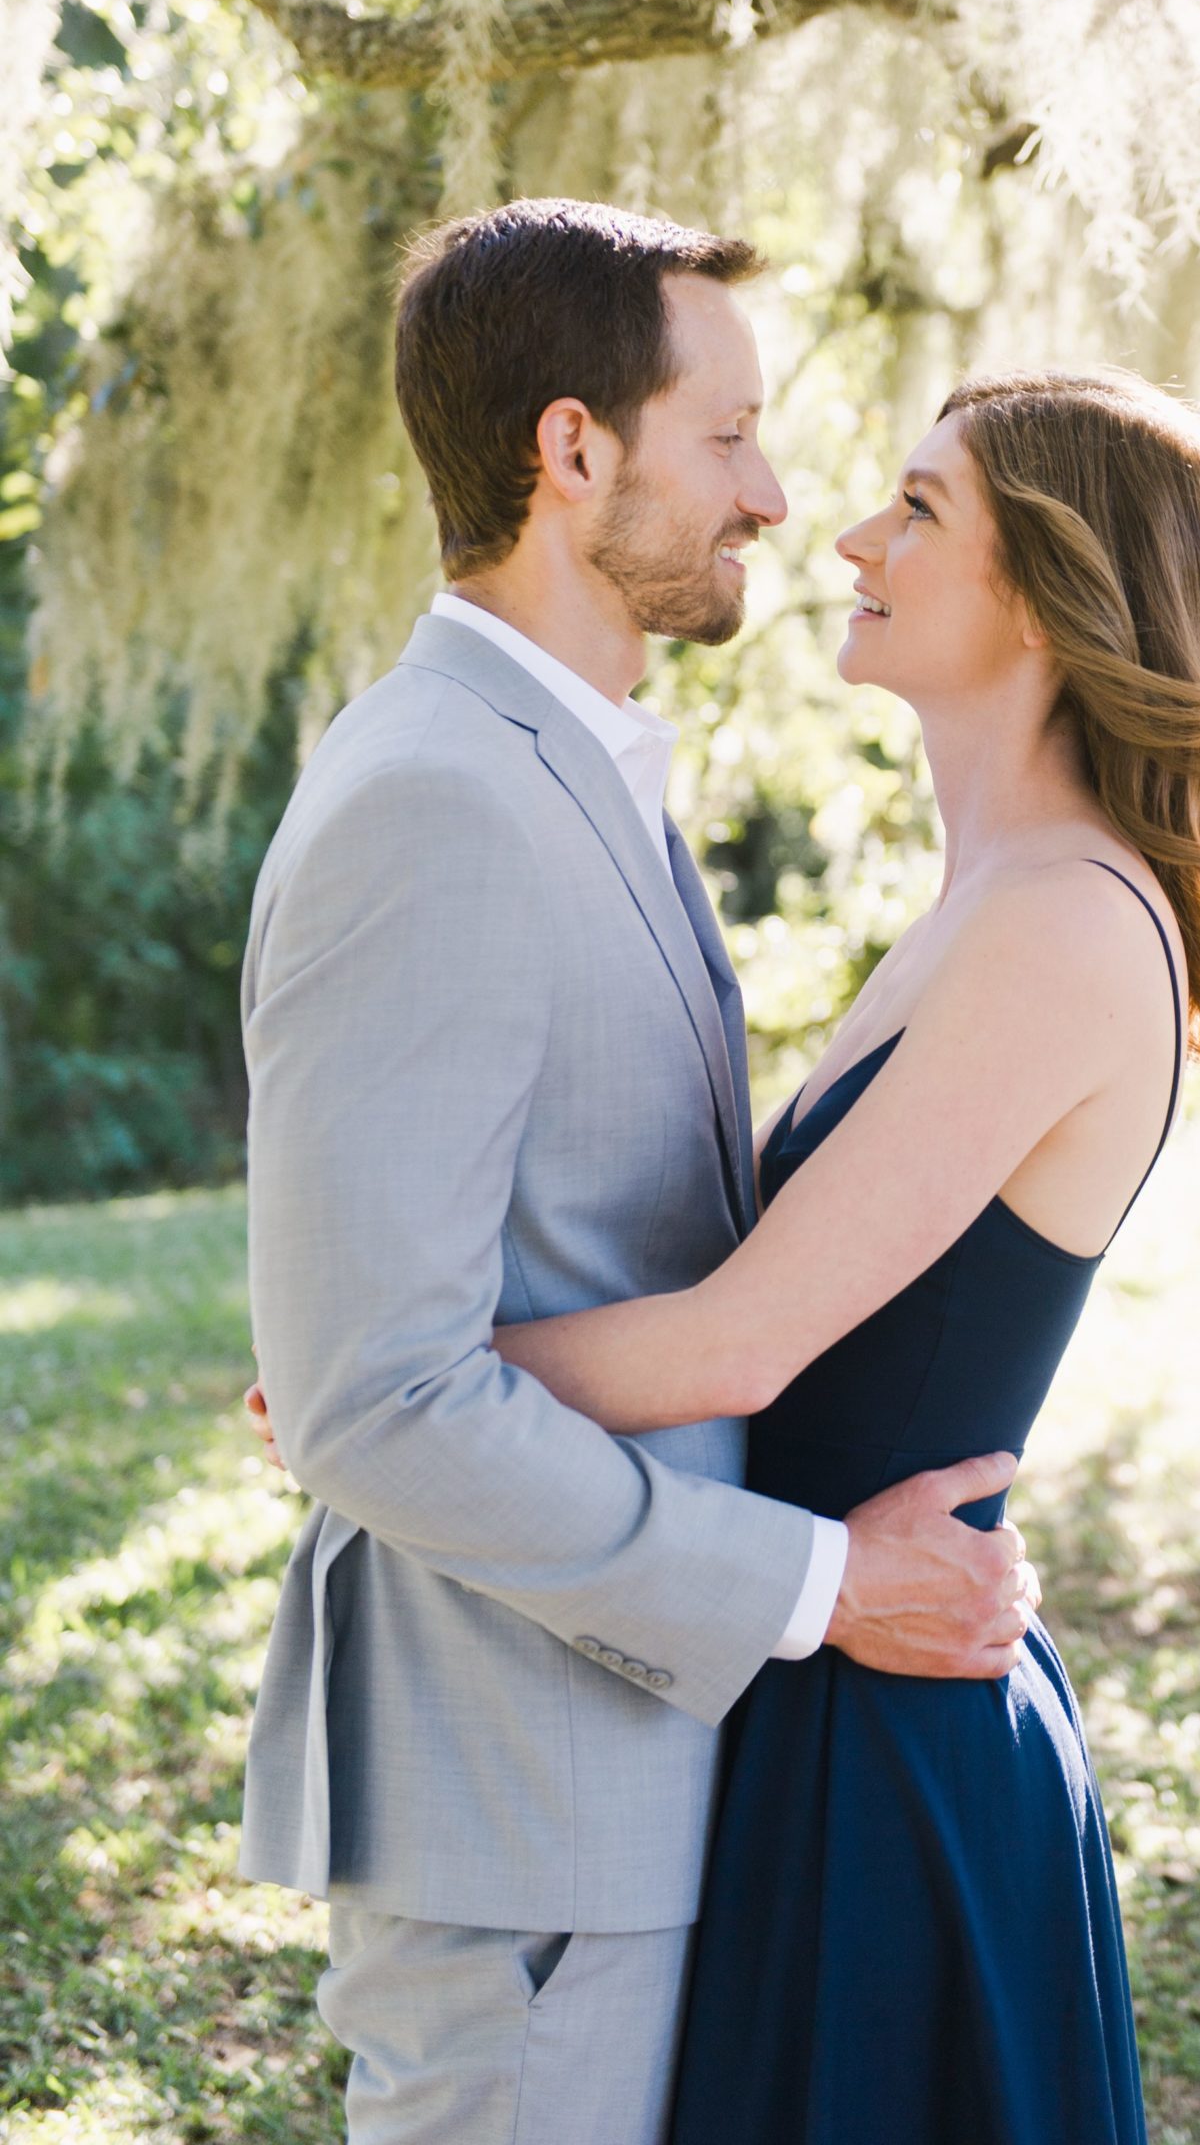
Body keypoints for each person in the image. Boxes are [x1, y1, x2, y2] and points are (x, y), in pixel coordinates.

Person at [237, 198, 1039, 2145]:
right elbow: (377, 1399)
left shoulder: (574, 761)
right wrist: (823, 1582)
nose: (775, 495)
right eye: (731, 432)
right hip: (519, 1805)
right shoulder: (432, 794)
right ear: (572, 447)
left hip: (624, 1783)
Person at [483, 363, 1200, 2142]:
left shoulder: (1072, 927)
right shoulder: (989, 904)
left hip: (893, 1748)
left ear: (1057, 592)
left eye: (920, 508)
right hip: (824, 1681)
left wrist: (401, 1386)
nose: (848, 531)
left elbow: (739, 1346)